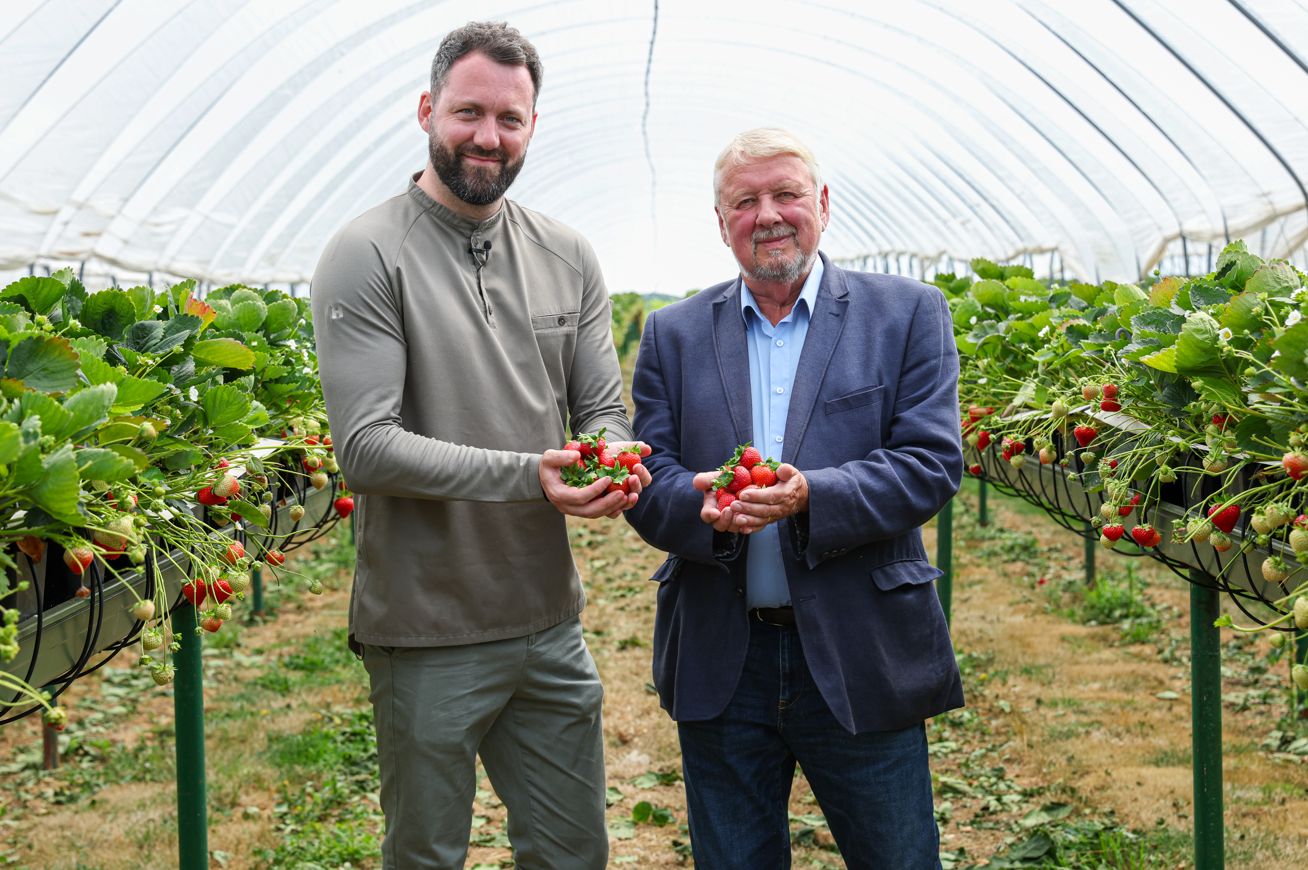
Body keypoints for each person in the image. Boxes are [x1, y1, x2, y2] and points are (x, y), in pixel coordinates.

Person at [311, 21, 648, 870]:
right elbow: (367, 447)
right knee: (428, 855)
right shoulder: (367, 252)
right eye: (468, 112)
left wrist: (610, 459)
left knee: (574, 852)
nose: (487, 137)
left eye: (510, 119)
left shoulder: (567, 254)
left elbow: (603, 406)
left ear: (533, 127)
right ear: (429, 110)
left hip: (546, 619)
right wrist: (533, 476)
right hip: (427, 627)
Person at [624, 128, 964, 869]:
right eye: (745, 201)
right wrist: (703, 507)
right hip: (724, 655)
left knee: (897, 858)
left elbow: (931, 463)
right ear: (721, 223)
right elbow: (650, 484)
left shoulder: (906, 313)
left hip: (859, 644)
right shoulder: (672, 334)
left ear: (824, 205)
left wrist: (812, 495)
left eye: (786, 195)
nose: (768, 215)